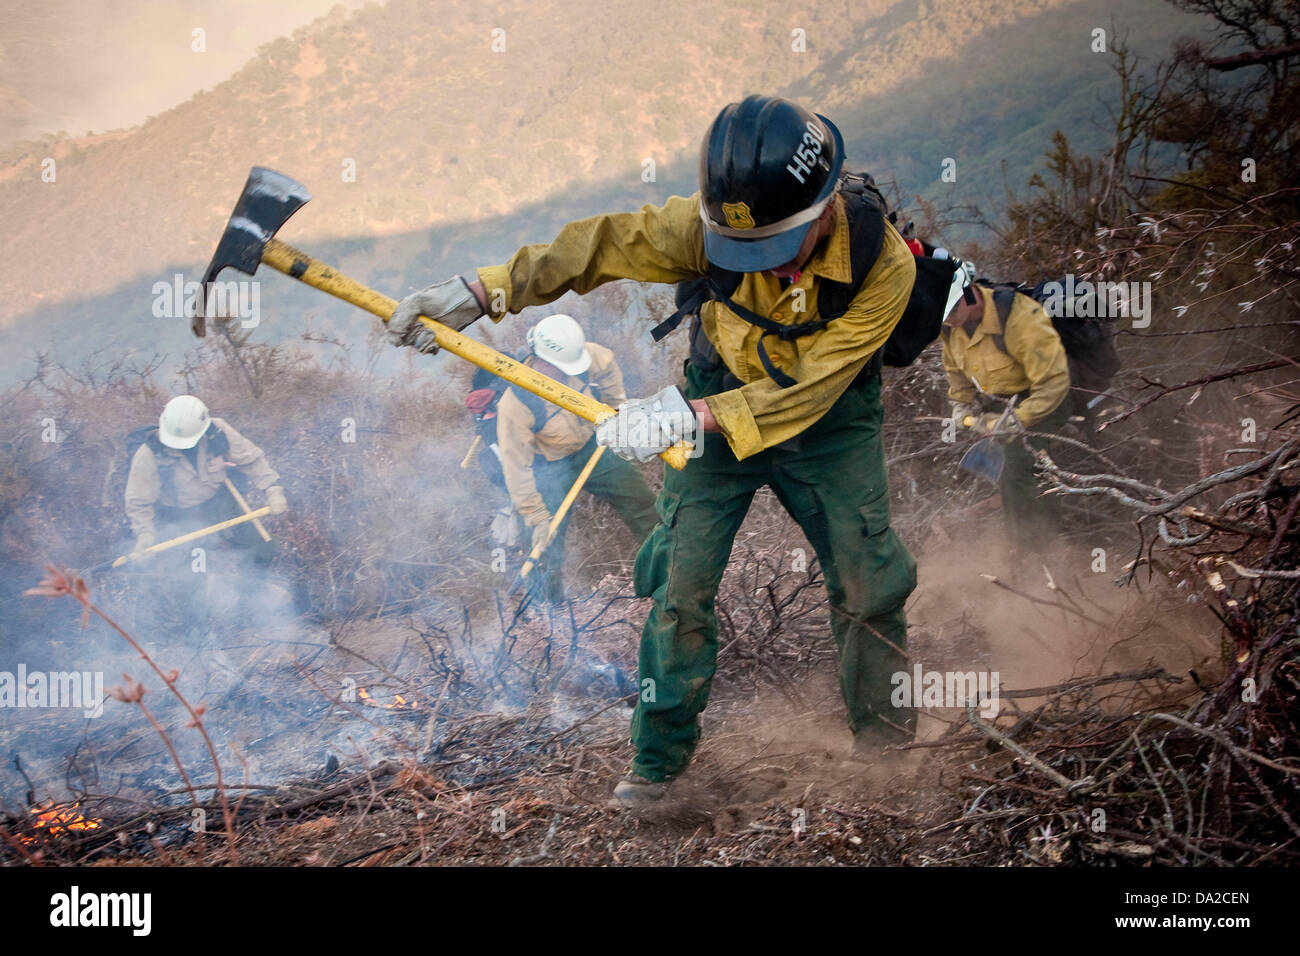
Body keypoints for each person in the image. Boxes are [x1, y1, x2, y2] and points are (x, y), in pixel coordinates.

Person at [386, 95, 919, 808]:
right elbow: (598, 245)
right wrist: (485, 290)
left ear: (821, 209)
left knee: (867, 578)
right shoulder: (701, 228)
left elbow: (811, 389)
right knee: (679, 588)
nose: (756, 261)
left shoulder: (883, 267)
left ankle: (886, 755)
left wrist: (684, 416)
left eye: (771, 245)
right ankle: (658, 765)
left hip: (826, 421)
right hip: (716, 392)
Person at [495, 314, 658, 604]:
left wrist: (616, 413)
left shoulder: (588, 357)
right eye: (558, 367)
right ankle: (548, 614)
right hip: (547, 466)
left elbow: (608, 373)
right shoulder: (516, 403)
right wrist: (536, 517)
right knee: (546, 547)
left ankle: (669, 574)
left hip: (592, 445)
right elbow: (516, 468)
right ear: (539, 358)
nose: (565, 372)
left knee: (642, 503)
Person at [939, 265, 1071, 551]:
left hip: (1047, 397)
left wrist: (1017, 421)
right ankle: (1041, 527)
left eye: (951, 309)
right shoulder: (950, 330)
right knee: (1005, 466)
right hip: (1002, 401)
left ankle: (1030, 553)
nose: (948, 319)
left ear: (968, 291)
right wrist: (961, 410)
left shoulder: (1018, 317)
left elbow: (1053, 384)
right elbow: (958, 380)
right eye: (942, 314)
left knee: (1015, 466)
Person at [124, 394, 287, 561]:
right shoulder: (149, 454)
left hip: (219, 500)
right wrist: (145, 535)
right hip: (182, 516)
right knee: (197, 570)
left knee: (262, 550)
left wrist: (272, 487)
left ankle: (255, 584)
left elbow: (250, 458)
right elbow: (138, 502)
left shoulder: (216, 431)